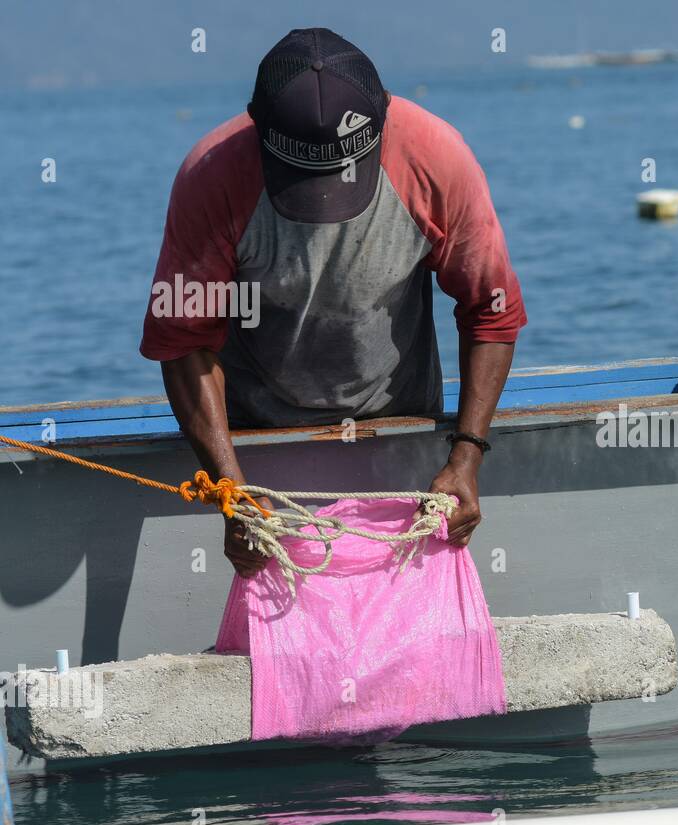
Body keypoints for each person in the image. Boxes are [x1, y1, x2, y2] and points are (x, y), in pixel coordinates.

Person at [140, 28, 525, 576]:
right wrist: (233, 488)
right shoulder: (211, 177)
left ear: (383, 115)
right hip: (257, 437)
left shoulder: (437, 161)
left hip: (403, 429)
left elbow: (490, 310)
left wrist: (465, 457)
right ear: (257, 125)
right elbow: (182, 341)